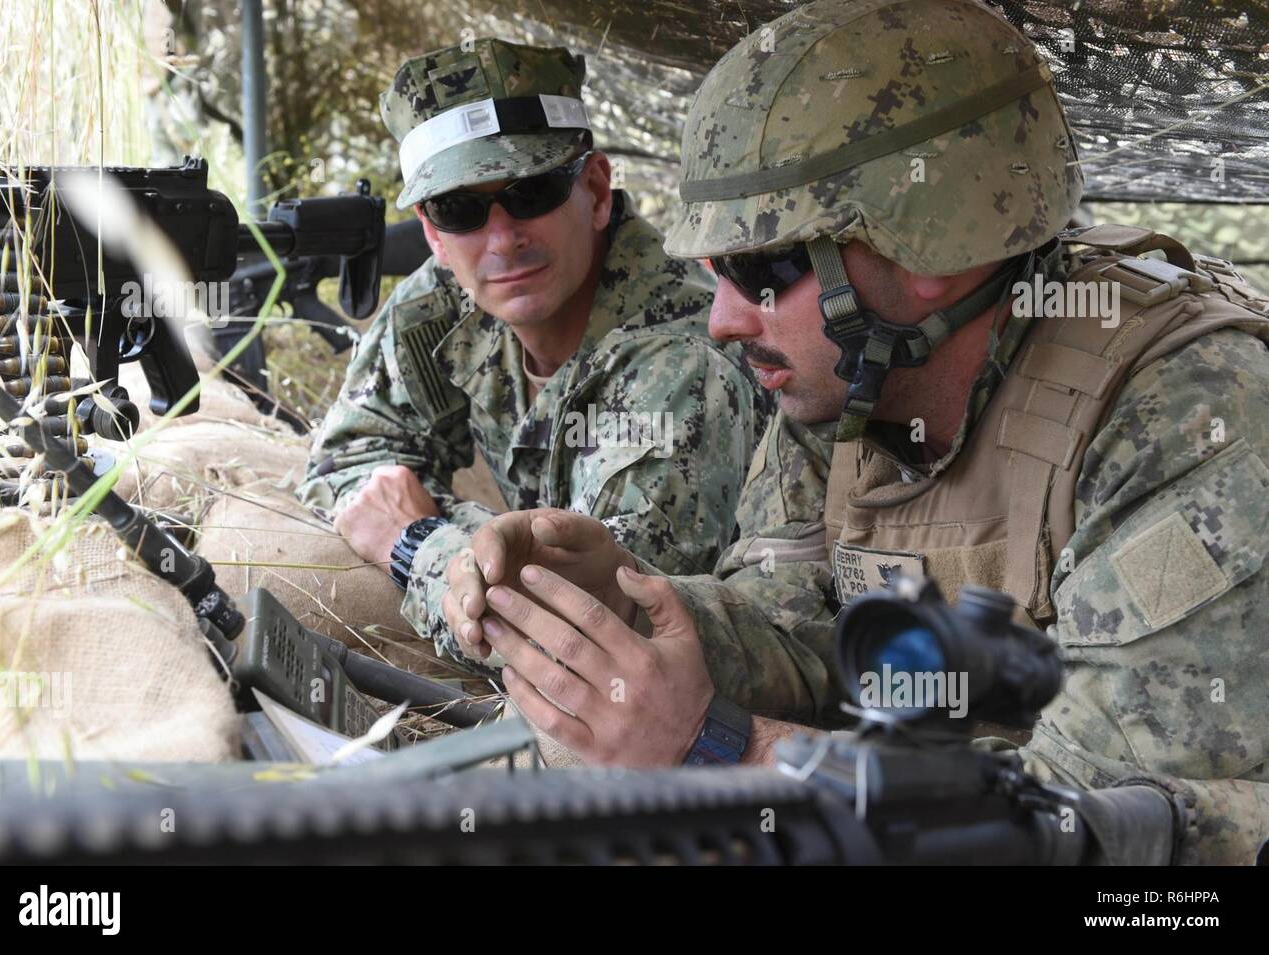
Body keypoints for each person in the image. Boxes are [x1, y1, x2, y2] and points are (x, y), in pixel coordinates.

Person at [440, 0, 1269, 863]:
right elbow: (798, 626)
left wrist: (722, 748)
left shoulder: (1188, 416)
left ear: (930, 254)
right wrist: (626, 607)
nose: (722, 320)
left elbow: (1089, 827)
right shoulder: (851, 381)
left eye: (764, 269)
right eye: (717, 273)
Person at [298, 38, 769, 671]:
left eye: (532, 192)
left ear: (596, 191)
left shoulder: (683, 360)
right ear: (433, 232)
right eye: (459, 208)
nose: (502, 238)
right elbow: (346, 462)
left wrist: (417, 542)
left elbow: (599, 642)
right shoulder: (443, 302)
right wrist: (482, 543)